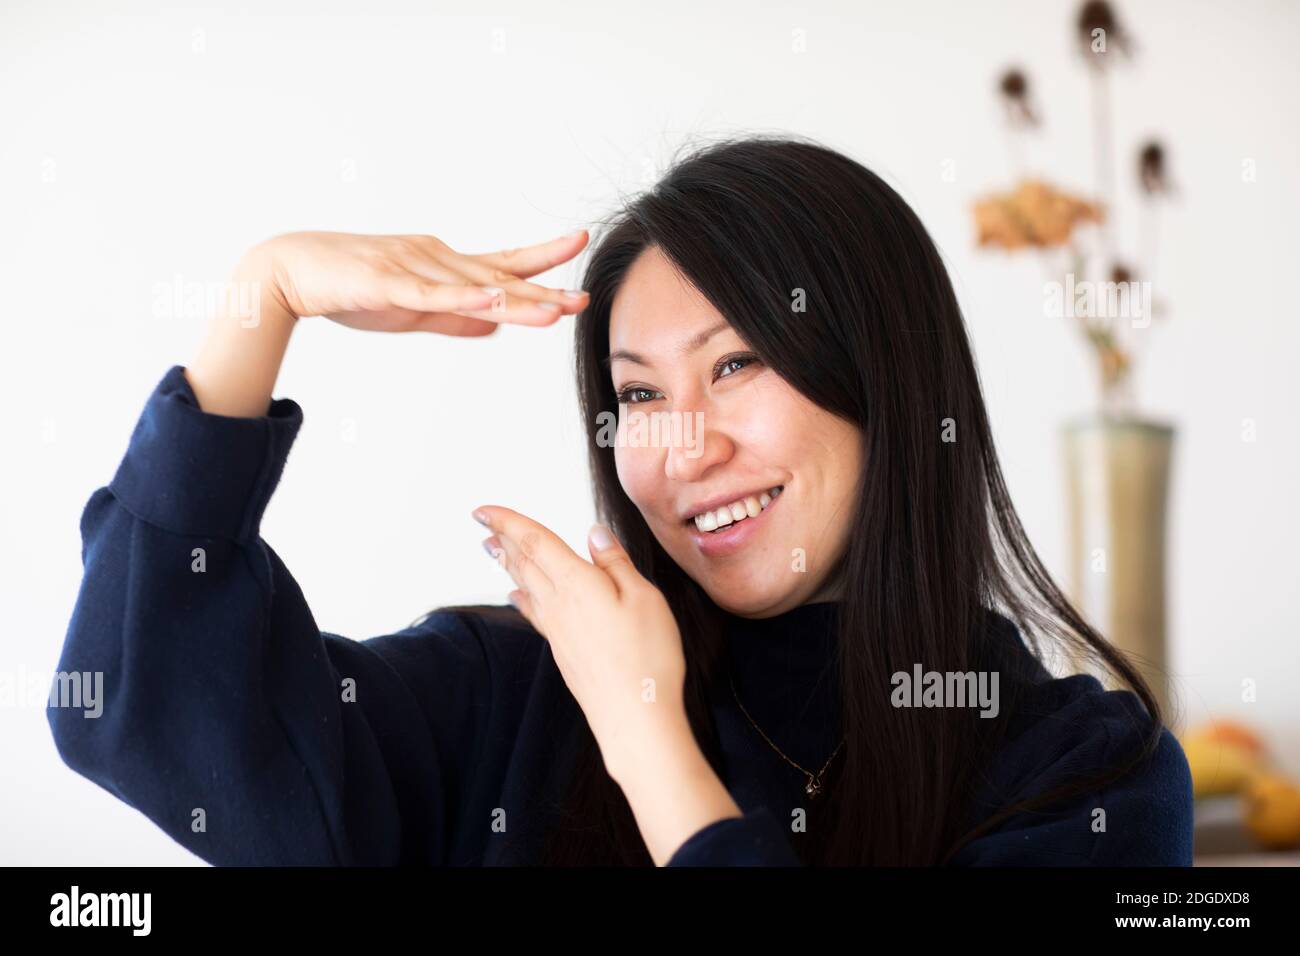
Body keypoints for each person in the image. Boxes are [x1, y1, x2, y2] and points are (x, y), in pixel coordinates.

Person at [47, 135, 1193, 866]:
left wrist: (649, 739)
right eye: (637, 392)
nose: (680, 447)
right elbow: (140, 706)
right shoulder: (513, 695)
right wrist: (263, 297)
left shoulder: (1084, 775)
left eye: (735, 363)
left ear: (886, 382)